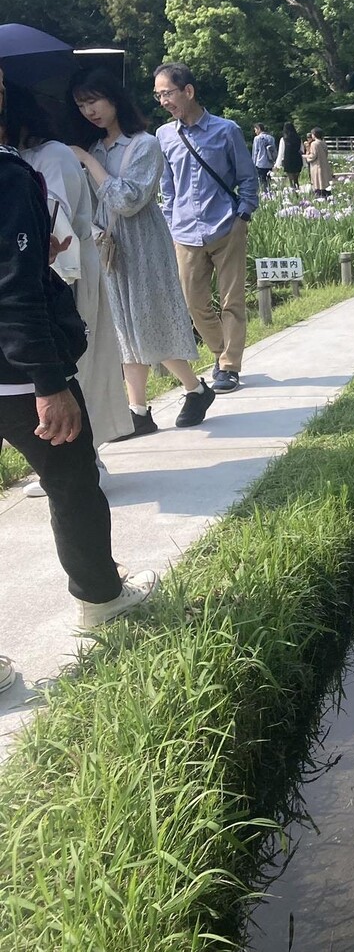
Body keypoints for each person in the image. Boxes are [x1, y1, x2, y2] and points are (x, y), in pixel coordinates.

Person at [0, 64, 158, 629]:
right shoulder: (11, 176)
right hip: (18, 371)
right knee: (71, 481)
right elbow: (15, 286)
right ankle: (101, 599)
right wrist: (47, 380)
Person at [70, 68, 215, 433]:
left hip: (143, 244)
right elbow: (89, 203)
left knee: (150, 321)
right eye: (82, 105)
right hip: (108, 247)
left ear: (113, 99)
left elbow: (128, 199)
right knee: (123, 327)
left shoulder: (145, 145)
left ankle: (196, 388)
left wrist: (89, 164)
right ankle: (138, 410)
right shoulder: (95, 147)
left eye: (94, 101)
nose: (90, 111)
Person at [153, 62, 258, 393]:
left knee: (232, 301)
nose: (163, 101)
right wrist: (170, 222)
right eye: (157, 95)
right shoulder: (164, 135)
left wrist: (243, 213)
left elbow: (246, 177)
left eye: (167, 93)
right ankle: (219, 352)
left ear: (188, 91)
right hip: (184, 232)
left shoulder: (225, 130)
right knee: (194, 303)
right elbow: (167, 187)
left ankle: (229, 366)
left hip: (226, 226)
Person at [305, 128, 333, 197]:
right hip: (324, 164)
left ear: (314, 135)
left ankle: (319, 195)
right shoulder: (323, 142)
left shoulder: (314, 144)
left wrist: (305, 156)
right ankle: (325, 194)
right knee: (323, 181)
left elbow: (313, 155)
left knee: (317, 182)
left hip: (316, 165)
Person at [278, 121, 303, 189]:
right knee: (296, 178)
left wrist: (278, 164)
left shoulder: (284, 139)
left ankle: (293, 190)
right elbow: (302, 150)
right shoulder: (298, 138)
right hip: (297, 159)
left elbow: (281, 152)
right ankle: (297, 188)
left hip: (288, 159)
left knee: (290, 179)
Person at [251, 122, 276, 187]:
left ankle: (264, 193)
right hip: (270, 162)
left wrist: (253, 163)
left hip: (260, 162)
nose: (255, 132)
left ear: (259, 129)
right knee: (269, 179)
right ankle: (270, 192)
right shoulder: (271, 138)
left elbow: (255, 152)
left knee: (262, 180)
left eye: (255, 130)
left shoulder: (257, 138)